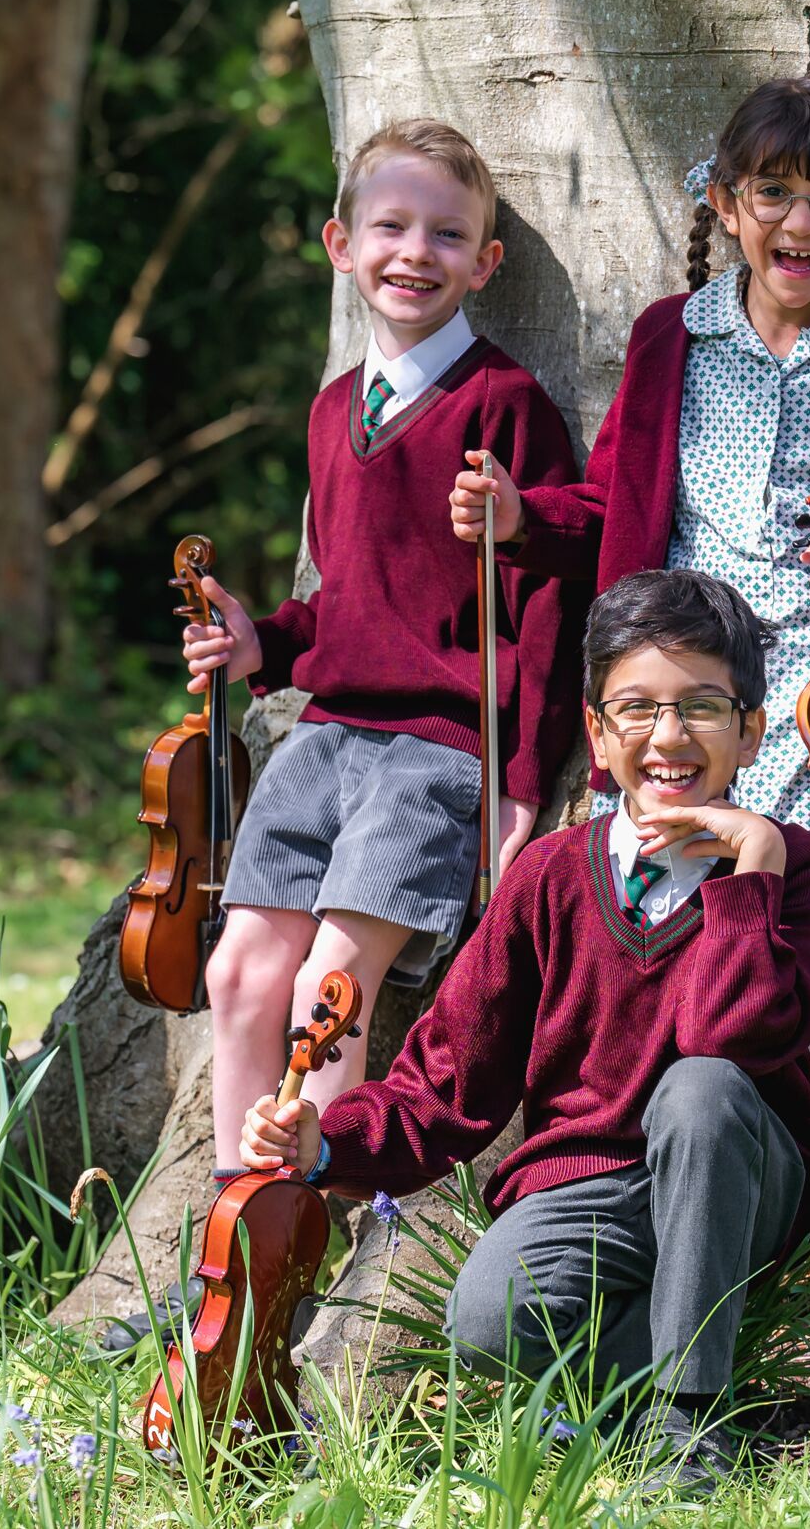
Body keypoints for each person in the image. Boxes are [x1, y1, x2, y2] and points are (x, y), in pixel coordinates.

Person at [449, 75, 810, 1235]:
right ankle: (666, 1160)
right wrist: (527, 518)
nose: (801, 223)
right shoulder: (669, 340)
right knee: (670, 923)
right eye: (773, 192)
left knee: (779, 929)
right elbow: (620, 505)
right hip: (680, 685)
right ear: (724, 204)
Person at [238, 569, 810, 1496]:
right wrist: (329, 1140)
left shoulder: (796, 871)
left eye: (702, 708)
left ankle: (690, 1426)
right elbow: (449, 1079)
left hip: (738, 1169)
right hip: (591, 1188)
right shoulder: (552, 878)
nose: (669, 737)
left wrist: (749, 869)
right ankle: (676, 1348)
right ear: (597, 736)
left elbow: (730, 1035)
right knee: (486, 1329)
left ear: (753, 730)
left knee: (701, 1085)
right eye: (636, 709)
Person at [182, 119, 581, 1168]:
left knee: (331, 992)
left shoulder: (505, 405)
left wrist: (522, 784)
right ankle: (235, 1233)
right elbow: (347, 606)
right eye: (391, 226)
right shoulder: (329, 414)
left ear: (486, 264)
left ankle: (302, 1225)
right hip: (322, 734)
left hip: (438, 748)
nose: (416, 252)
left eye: (447, 234)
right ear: (340, 244)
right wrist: (260, 641)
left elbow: (548, 604)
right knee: (239, 975)